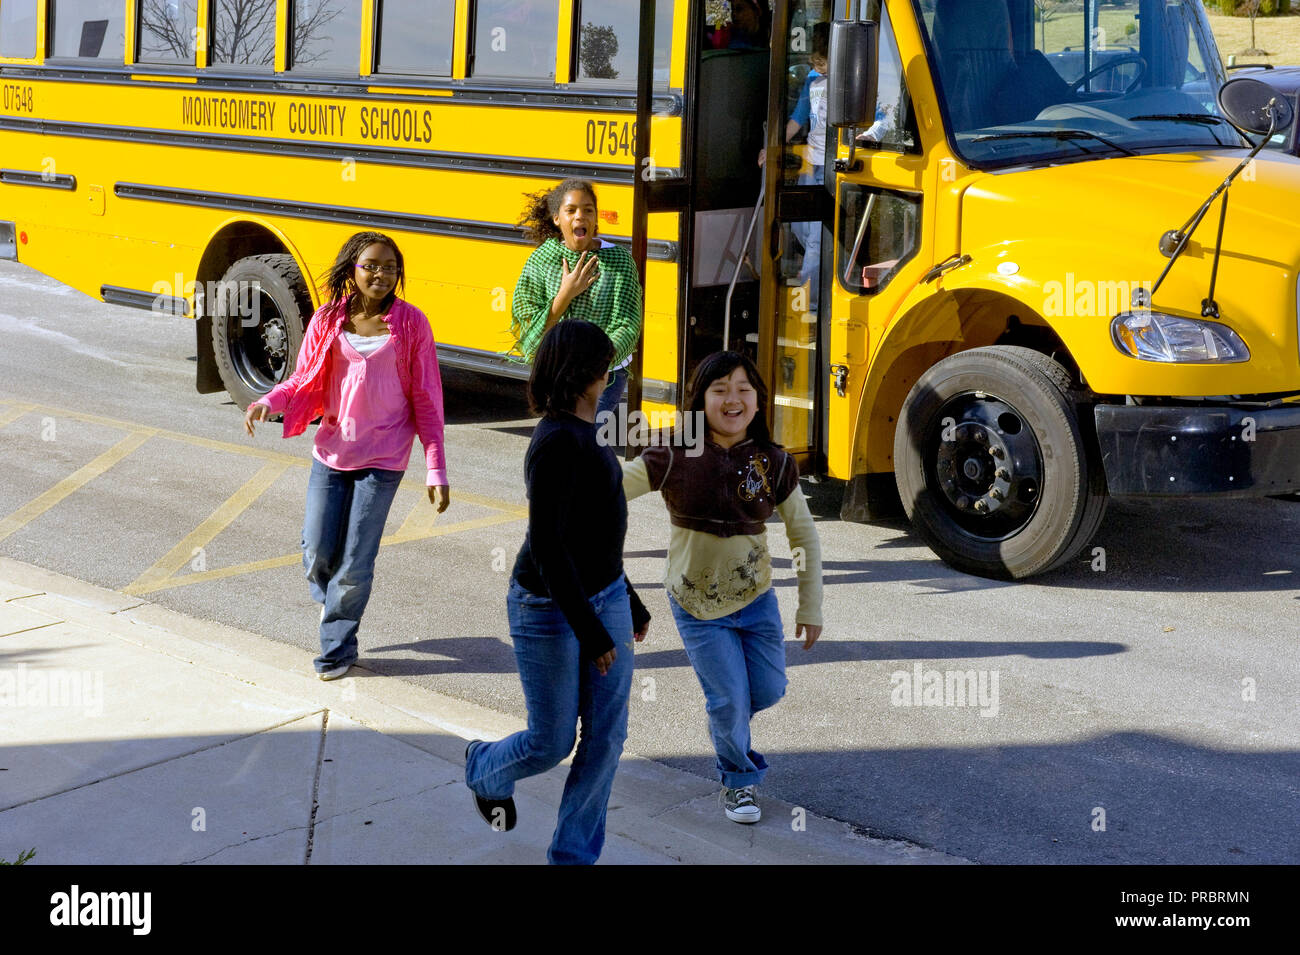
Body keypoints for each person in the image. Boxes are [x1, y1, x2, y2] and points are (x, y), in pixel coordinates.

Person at [465, 319, 651, 865]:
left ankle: (572, 856)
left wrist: (627, 598)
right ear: (587, 374)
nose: (615, 375)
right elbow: (550, 547)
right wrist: (592, 633)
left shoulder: (589, 429)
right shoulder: (554, 442)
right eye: (609, 367)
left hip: (605, 594)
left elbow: (595, 534)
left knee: (606, 736)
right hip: (547, 606)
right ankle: (484, 768)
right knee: (551, 742)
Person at [622, 351, 822, 824]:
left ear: (758, 402)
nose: (732, 399)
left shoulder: (774, 461)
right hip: (694, 604)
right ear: (700, 400)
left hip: (758, 601)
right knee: (730, 699)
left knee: (769, 690)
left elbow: (804, 535)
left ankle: (725, 719)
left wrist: (810, 604)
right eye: (719, 389)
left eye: (743, 389)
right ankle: (738, 781)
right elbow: (611, 488)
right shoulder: (672, 452)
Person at [244, 231, 449, 681]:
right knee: (316, 549)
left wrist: (436, 468)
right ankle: (333, 603)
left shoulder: (412, 324)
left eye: (391, 267)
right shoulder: (328, 320)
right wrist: (268, 402)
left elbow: (428, 402)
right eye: (371, 265)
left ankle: (337, 647)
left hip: (385, 459)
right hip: (332, 452)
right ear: (352, 270)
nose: (381, 274)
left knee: (355, 562)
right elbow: (300, 379)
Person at [510, 178, 643, 421]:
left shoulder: (619, 262)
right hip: (558, 372)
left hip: (605, 375)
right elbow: (528, 319)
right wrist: (566, 294)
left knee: (585, 435)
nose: (580, 216)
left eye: (588, 210)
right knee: (564, 438)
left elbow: (627, 323)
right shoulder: (542, 260)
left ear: (595, 219)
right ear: (557, 218)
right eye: (571, 210)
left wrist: (595, 366)